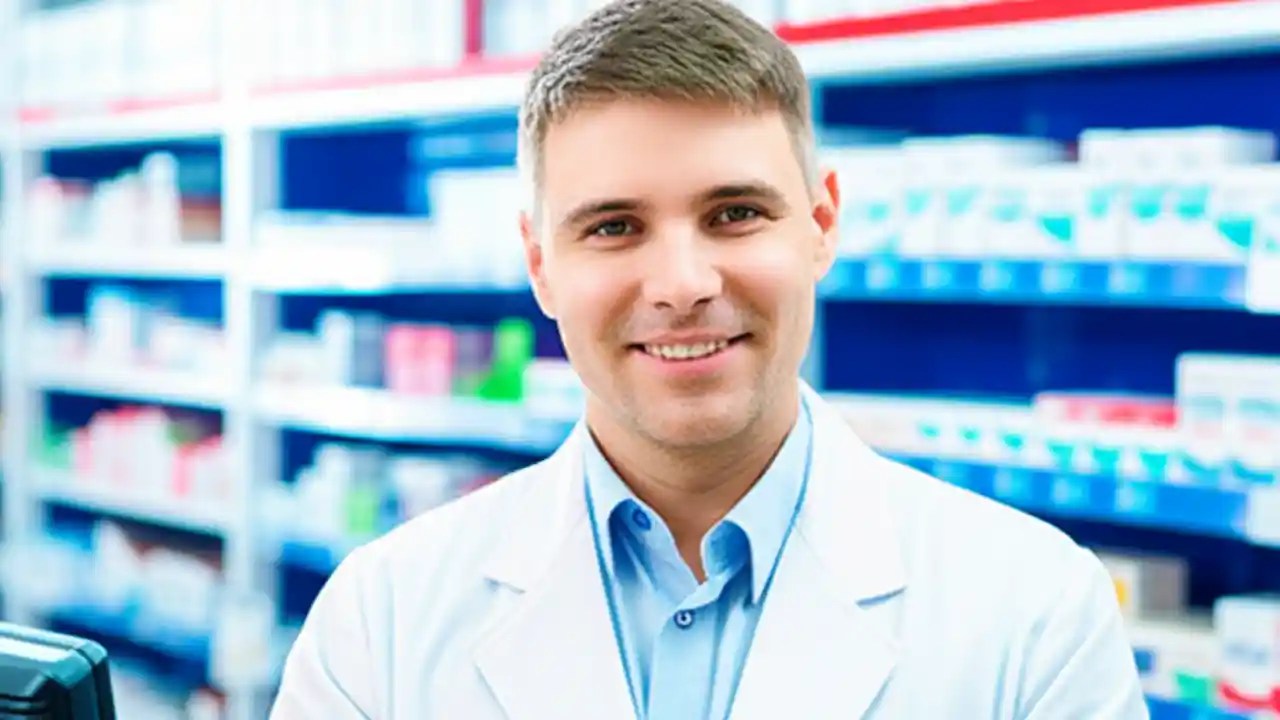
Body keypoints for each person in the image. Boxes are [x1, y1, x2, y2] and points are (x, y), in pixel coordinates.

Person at [270, 1, 1147, 718]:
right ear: (540, 264)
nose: (683, 284)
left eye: (735, 213)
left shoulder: (1036, 616)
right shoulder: (379, 624)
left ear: (821, 224)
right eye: (614, 227)